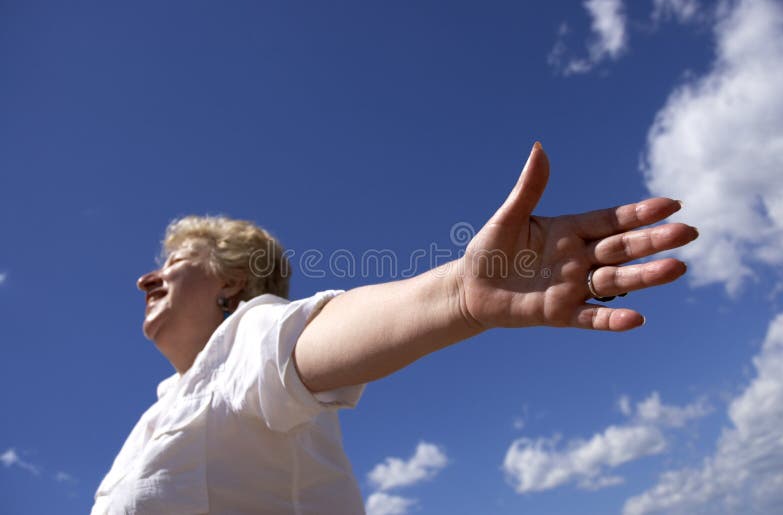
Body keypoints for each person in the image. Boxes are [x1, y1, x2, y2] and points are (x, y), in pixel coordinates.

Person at [91, 143, 699, 514]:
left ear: (231, 284)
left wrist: (458, 296)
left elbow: (304, 342)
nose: (146, 279)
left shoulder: (249, 339)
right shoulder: (164, 407)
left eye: (174, 263)